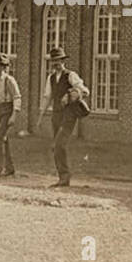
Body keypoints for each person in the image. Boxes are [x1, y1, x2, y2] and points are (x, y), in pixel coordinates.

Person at [38, 45, 89, 188]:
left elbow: (85, 91)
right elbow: (47, 97)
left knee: (59, 144)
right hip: (56, 115)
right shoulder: (51, 78)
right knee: (58, 147)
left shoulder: (71, 75)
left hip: (69, 115)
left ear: (63, 61)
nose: (56, 63)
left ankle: (65, 177)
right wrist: (41, 116)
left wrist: (70, 94)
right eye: (54, 61)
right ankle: (63, 177)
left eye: (59, 60)